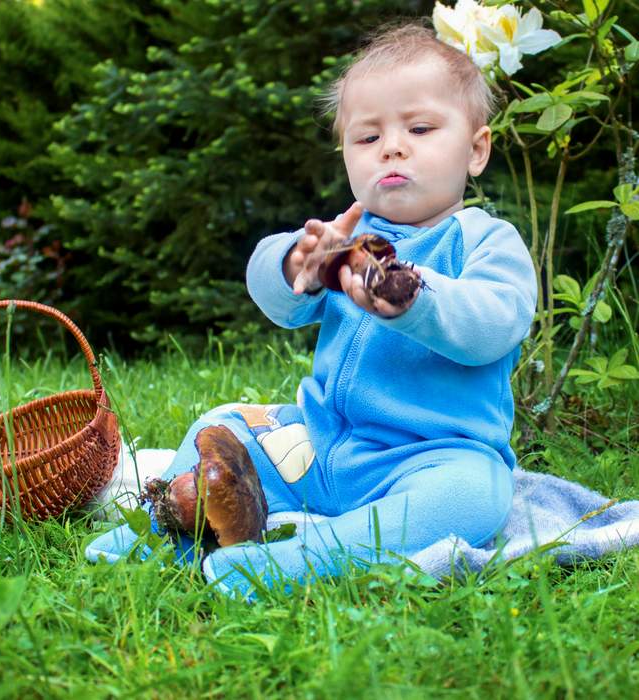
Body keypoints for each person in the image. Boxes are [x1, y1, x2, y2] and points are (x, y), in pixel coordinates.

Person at [108, 21, 538, 598]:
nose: (392, 146)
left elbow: (494, 323)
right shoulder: (344, 236)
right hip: (320, 444)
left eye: (420, 127)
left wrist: (409, 296)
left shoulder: (486, 241)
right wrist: (298, 266)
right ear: (347, 156)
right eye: (367, 138)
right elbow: (273, 293)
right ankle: (159, 531)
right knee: (224, 424)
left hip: (429, 459)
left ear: (476, 149)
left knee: (480, 495)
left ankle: (307, 557)